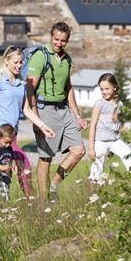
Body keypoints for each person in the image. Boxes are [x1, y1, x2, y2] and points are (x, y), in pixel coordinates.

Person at [24, 21, 88, 201]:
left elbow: (69, 88)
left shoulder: (67, 59)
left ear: (67, 41)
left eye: (63, 41)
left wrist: (77, 116)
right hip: (46, 110)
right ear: (50, 37)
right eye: (56, 39)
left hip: (64, 109)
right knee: (46, 158)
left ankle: (54, 184)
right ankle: (44, 202)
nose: (58, 43)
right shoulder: (40, 56)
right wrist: (36, 119)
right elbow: (30, 88)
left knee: (78, 150)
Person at [0, 46, 34, 198]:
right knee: (23, 164)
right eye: (16, 62)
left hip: (13, 134)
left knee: (4, 171)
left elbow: (27, 110)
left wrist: (43, 126)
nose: (19, 66)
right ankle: (32, 202)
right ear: (6, 61)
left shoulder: (20, 85)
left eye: (21, 63)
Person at [87, 73, 131, 185]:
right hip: (100, 142)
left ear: (115, 88)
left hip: (115, 141)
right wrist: (91, 148)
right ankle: (93, 195)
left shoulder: (119, 104)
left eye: (107, 88)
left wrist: (112, 149)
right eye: (101, 89)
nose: (104, 92)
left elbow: (115, 125)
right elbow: (92, 125)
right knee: (96, 171)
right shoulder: (99, 104)